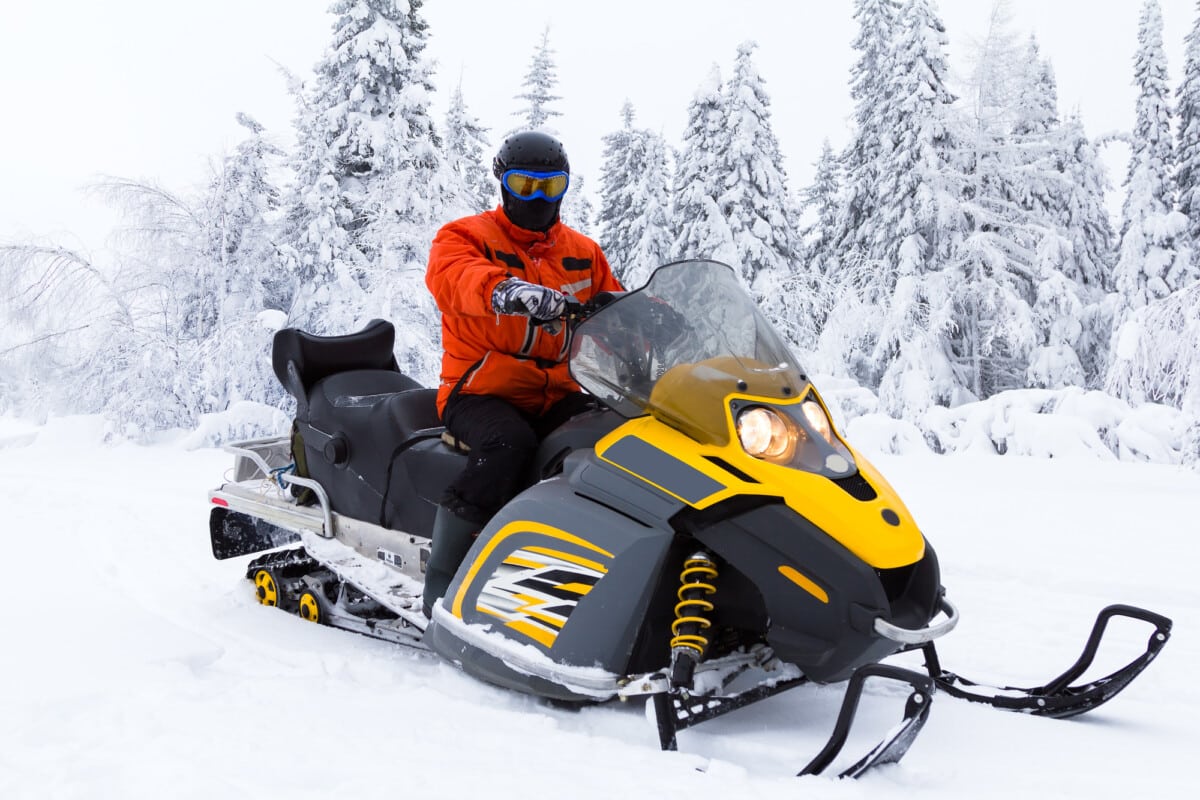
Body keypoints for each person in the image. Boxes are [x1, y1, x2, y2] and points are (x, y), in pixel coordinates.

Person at [422, 130, 624, 616]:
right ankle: (444, 582)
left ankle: (588, 564)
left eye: (550, 187)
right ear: (503, 184)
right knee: (509, 445)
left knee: (617, 436)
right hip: (478, 391)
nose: (537, 198)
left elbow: (618, 309)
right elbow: (453, 278)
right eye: (524, 185)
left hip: (554, 391)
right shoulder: (466, 237)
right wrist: (504, 291)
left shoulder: (582, 251)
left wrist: (651, 322)